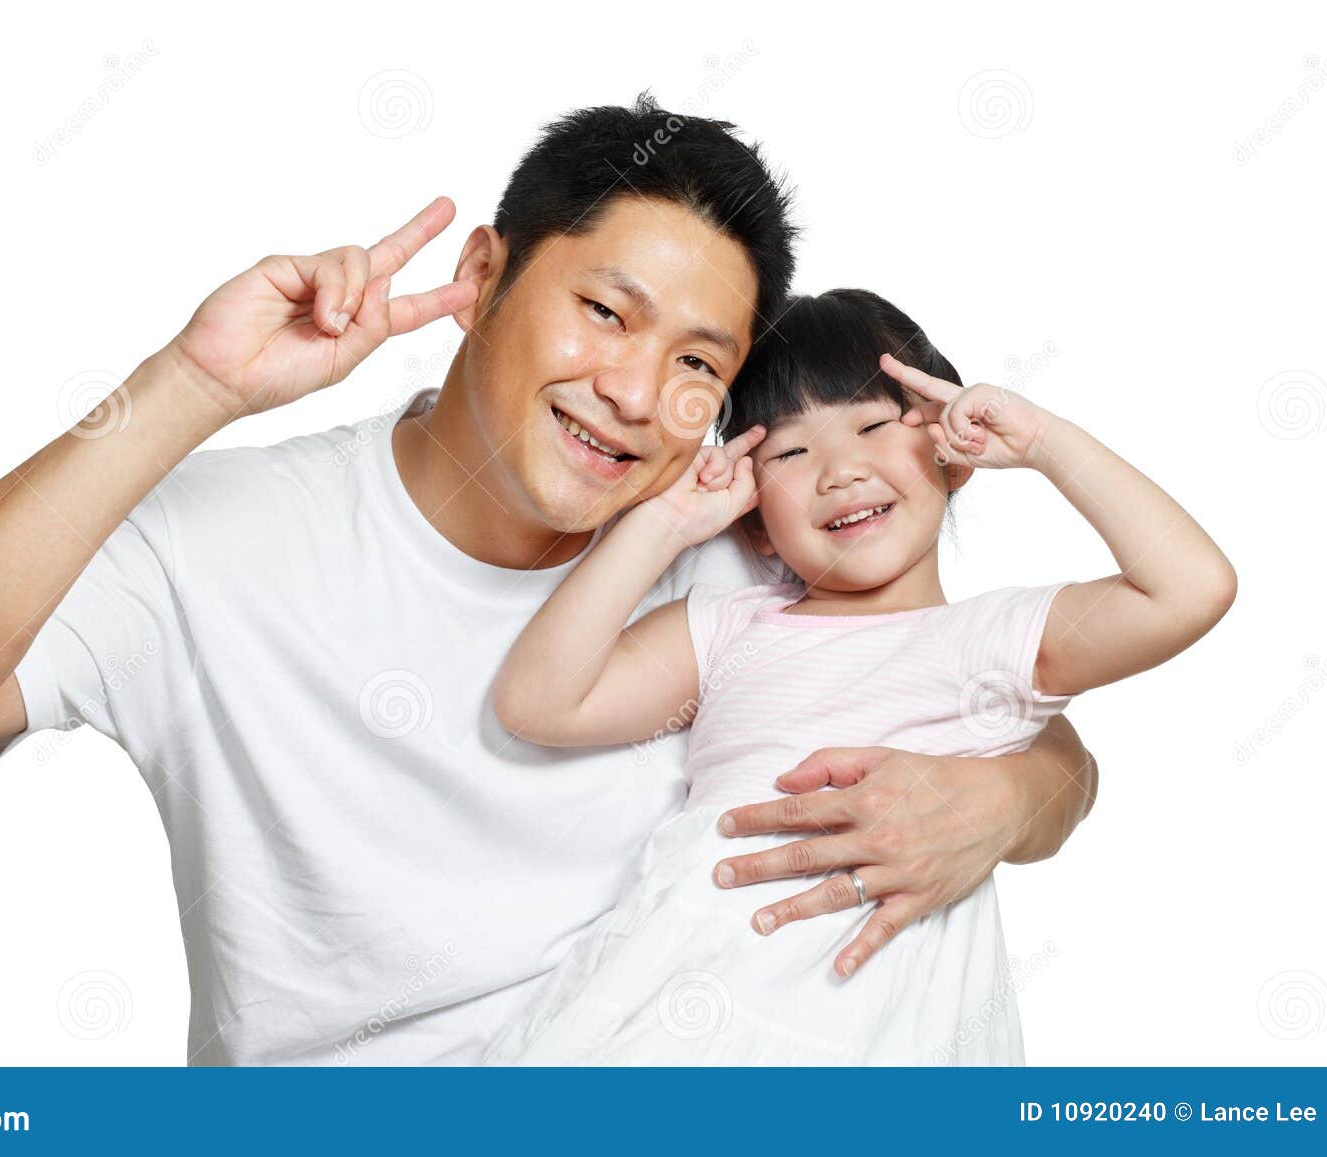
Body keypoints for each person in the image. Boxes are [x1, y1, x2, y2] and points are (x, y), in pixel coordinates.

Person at [0, 99, 1098, 1065]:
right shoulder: (223, 545)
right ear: (482, 280)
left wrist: (1004, 796)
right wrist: (191, 389)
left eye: (700, 361)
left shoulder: (729, 528)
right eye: (606, 312)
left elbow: (1018, 722)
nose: (640, 396)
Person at [486, 290, 1235, 1064]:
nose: (841, 472)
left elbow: (1190, 588)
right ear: (754, 517)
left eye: (875, 426)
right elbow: (539, 699)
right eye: (790, 453)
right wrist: (666, 523)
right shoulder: (730, 628)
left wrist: (1042, 440)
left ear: (954, 454)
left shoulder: (994, 642)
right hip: (662, 1018)